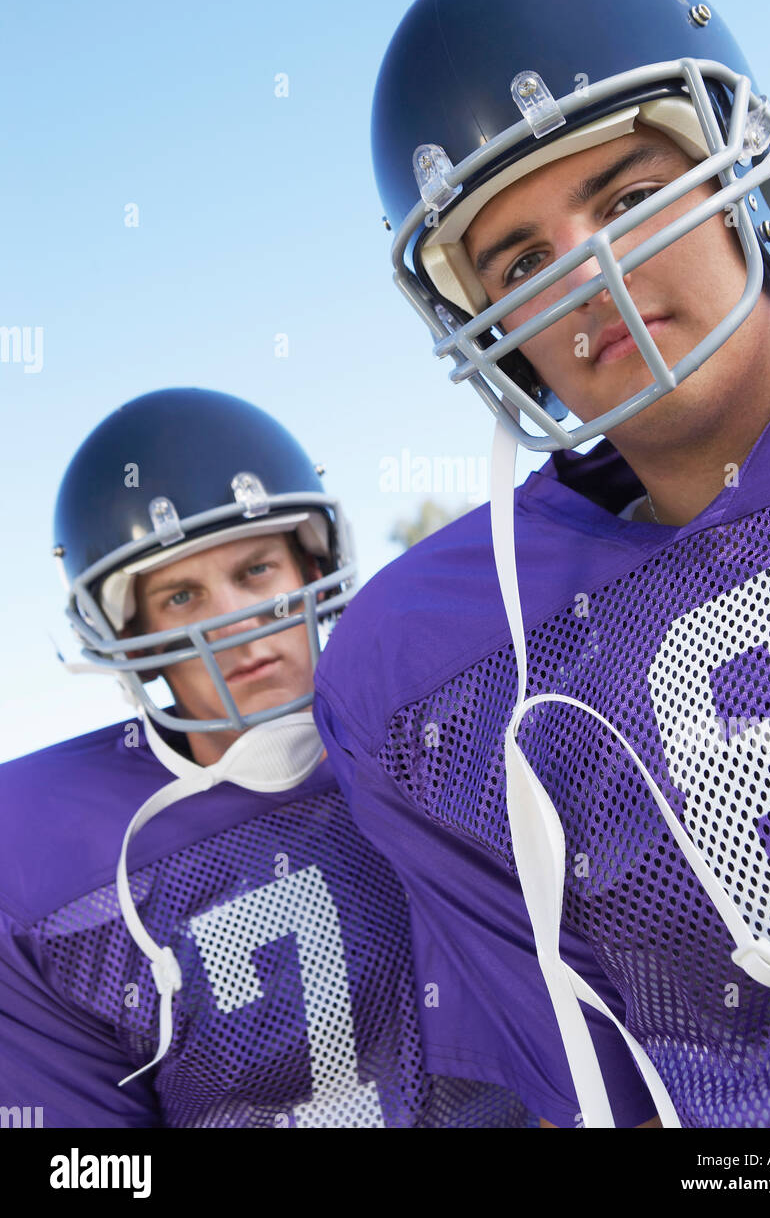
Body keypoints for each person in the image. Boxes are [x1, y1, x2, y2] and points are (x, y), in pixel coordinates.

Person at [313, 0, 770, 1128]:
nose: (589, 275)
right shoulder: (424, 668)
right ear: (488, 327)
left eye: (621, 198)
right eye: (520, 259)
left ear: (743, 178)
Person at [0, 387, 531, 1128]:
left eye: (255, 572)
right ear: (127, 631)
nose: (236, 623)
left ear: (311, 569)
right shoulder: (39, 850)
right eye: (182, 596)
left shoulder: (451, 733)